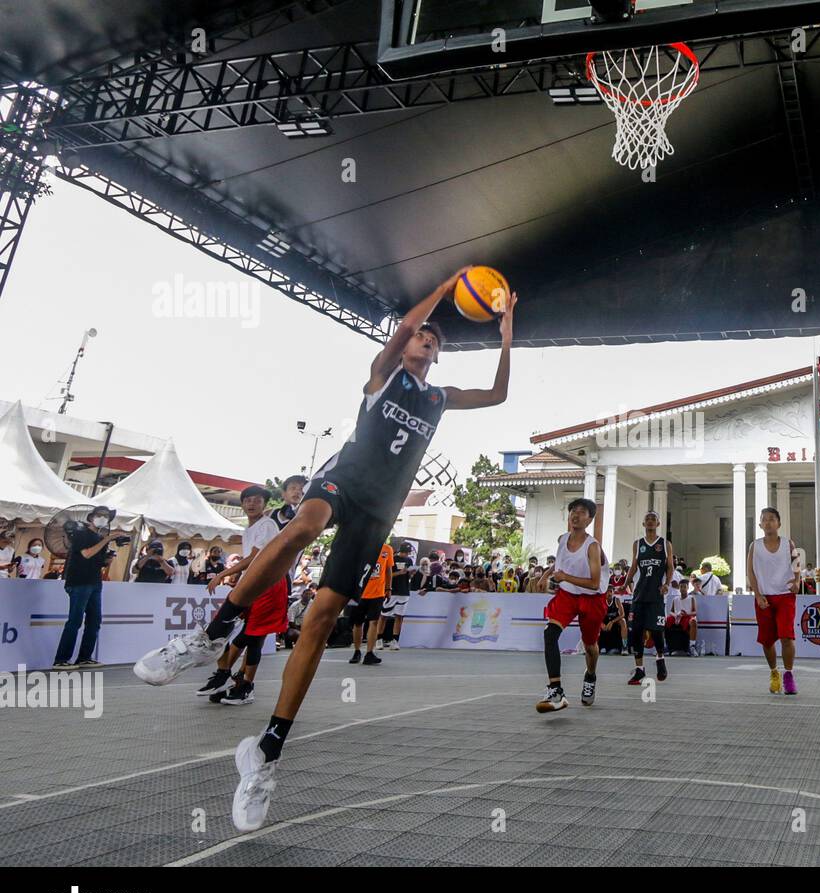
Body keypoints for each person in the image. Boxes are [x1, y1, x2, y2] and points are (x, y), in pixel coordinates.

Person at [132, 266, 514, 833]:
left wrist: (506, 328)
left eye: (433, 341)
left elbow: (500, 393)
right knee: (303, 526)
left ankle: (266, 753)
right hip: (343, 482)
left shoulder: (439, 397)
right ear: (404, 342)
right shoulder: (384, 377)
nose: (424, 340)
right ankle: (209, 635)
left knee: (320, 619)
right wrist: (447, 284)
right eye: (419, 335)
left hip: (380, 510)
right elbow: (402, 326)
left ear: (437, 356)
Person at [196, 485, 291, 705]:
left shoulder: (267, 525)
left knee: (246, 635)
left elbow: (256, 558)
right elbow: (251, 562)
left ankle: (234, 681)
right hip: (254, 585)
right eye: (247, 500)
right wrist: (238, 579)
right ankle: (235, 681)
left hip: (269, 585)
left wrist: (223, 574)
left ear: (265, 504)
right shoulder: (249, 529)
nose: (251, 504)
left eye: (257, 500)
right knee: (239, 634)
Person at [536, 498, 609, 713]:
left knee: (589, 646)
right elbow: (560, 563)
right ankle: (556, 691)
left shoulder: (592, 547)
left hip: (592, 598)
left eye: (582, 512)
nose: (576, 515)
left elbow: (595, 583)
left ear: (589, 519)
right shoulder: (562, 539)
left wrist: (564, 576)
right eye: (573, 511)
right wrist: (546, 575)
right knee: (550, 634)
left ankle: (590, 675)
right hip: (568, 594)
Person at [53, 505, 127, 669]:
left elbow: (98, 561)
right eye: (100, 515)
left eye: (106, 516)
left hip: (94, 581)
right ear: (91, 517)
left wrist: (108, 558)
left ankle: (84, 656)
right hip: (79, 582)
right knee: (75, 620)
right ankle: (61, 659)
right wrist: (107, 539)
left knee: (94, 620)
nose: (103, 518)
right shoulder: (82, 533)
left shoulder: (98, 537)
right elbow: (86, 554)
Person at [746, 507, 798, 695]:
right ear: (760, 524)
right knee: (767, 641)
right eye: (764, 519)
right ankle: (774, 673)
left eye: (772, 519)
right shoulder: (755, 546)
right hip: (764, 597)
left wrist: (797, 581)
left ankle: (789, 675)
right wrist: (758, 595)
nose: (768, 522)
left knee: (786, 636)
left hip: (785, 595)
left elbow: (796, 565)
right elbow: (750, 571)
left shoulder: (788, 544)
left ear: (779, 523)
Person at [627, 511, 673, 686]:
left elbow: (670, 567)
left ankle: (660, 658)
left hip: (656, 594)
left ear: (658, 523)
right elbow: (633, 567)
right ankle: (639, 670)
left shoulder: (665, 544)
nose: (650, 521)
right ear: (643, 524)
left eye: (653, 519)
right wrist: (625, 582)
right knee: (636, 632)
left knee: (656, 629)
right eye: (647, 519)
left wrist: (667, 583)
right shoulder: (638, 544)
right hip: (639, 594)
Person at [351, 541, 394, 664]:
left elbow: (388, 570)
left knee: (374, 621)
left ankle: (369, 652)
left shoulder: (387, 549)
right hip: (360, 592)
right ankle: (357, 651)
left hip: (378, 593)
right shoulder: (361, 547)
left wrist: (388, 588)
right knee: (358, 623)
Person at [380, 541, 416, 650]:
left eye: (408, 552)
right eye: (405, 552)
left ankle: (395, 640)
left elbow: (408, 576)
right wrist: (399, 573)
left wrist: (411, 573)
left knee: (399, 616)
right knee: (384, 615)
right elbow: (387, 574)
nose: (406, 554)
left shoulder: (409, 560)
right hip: (392, 590)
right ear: (401, 551)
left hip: (404, 591)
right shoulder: (393, 559)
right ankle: (378, 639)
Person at [670, 579, 699, 655]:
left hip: (687, 617)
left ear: (687, 588)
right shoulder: (675, 599)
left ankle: (692, 646)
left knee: (693, 621)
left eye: (684, 587)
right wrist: (676, 615)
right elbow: (671, 611)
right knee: (664, 621)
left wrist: (686, 614)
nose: (682, 589)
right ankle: (666, 646)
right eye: (681, 587)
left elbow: (695, 612)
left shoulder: (691, 598)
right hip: (677, 618)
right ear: (679, 588)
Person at [599, 589, 627, 654]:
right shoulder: (601, 600)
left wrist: (612, 622)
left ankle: (624, 647)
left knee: (623, 621)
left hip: (614, 622)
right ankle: (592, 645)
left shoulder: (616, 600)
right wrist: (600, 623)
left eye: (611, 591)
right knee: (592, 621)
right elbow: (595, 614)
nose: (609, 593)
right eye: (607, 592)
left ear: (613, 592)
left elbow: (622, 614)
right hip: (604, 621)